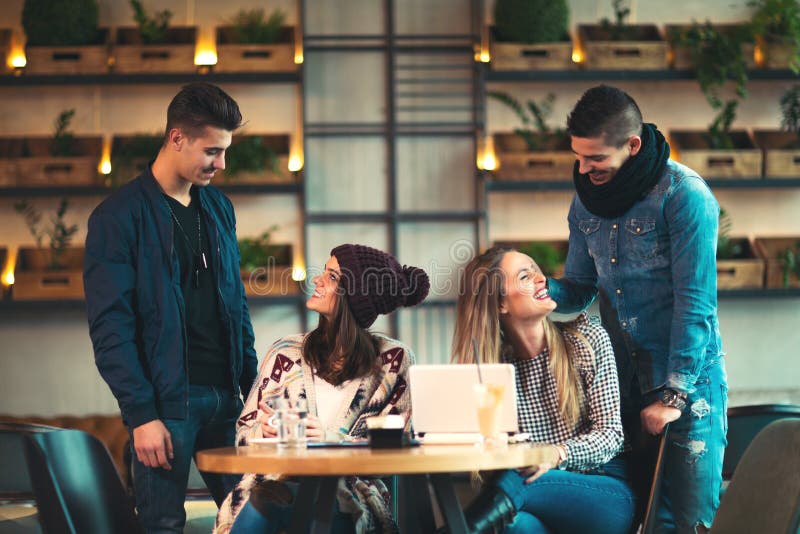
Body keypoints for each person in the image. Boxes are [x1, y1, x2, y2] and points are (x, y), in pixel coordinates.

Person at [547, 85, 727, 533]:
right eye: (579, 158)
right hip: (623, 384)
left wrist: (674, 396)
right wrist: (532, 288)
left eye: (596, 159)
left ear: (633, 145)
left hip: (689, 386)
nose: (585, 170)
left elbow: (697, 303)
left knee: (689, 522)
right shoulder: (585, 201)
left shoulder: (684, 195)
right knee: (639, 520)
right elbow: (580, 288)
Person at [84, 82, 259, 533]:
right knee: (162, 525)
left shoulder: (219, 207)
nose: (221, 164)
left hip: (228, 402)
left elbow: (235, 307)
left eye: (225, 152)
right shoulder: (117, 217)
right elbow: (111, 328)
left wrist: (255, 393)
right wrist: (141, 415)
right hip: (166, 406)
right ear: (176, 138)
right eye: (212, 151)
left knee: (254, 521)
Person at [214, 243, 430, 534]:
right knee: (265, 502)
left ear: (355, 296)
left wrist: (330, 440)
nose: (317, 279)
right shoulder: (285, 353)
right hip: (274, 486)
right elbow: (243, 436)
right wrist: (262, 432)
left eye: (331, 276)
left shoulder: (393, 362)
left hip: (347, 498)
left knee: (312, 511)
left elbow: (399, 447)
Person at [451, 246, 635, 534]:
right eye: (525, 276)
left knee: (519, 479)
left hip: (604, 494)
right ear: (500, 304)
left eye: (537, 271)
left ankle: (458, 530)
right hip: (530, 497)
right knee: (514, 526)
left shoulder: (586, 339)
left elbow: (611, 435)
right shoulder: (496, 372)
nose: (542, 279)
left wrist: (556, 454)